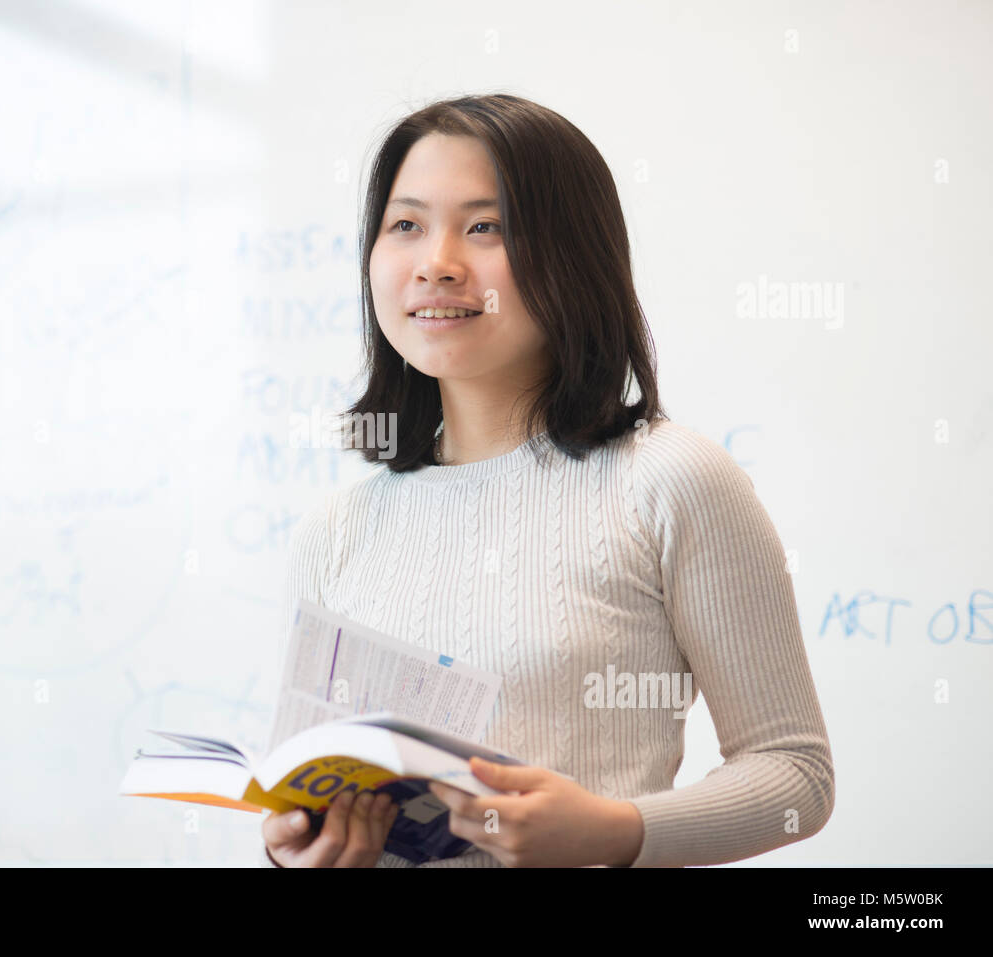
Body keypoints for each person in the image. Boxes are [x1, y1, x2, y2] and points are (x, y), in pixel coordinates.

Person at [262, 93, 833, 868]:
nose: (437, 261)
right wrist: (299, 849)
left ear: (572, 253)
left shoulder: (670, 481)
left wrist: (613, 830)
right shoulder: (336, 530)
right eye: (405, 225)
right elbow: (302, 795)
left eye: (485, 226)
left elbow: (795, 775)